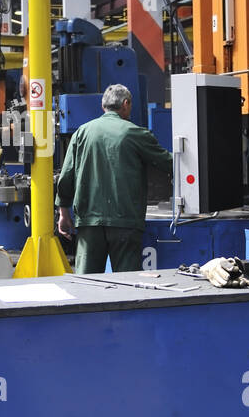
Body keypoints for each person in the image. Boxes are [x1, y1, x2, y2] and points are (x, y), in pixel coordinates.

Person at [56, 83, 172, 274]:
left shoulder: (81, 133)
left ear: (103, 107)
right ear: (126, 104)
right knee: (126, 284)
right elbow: (168, 163)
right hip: (125, 222)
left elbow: (66, 176)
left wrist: (63, 213)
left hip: (89, 223)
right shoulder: (135, 133)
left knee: (88, 283)